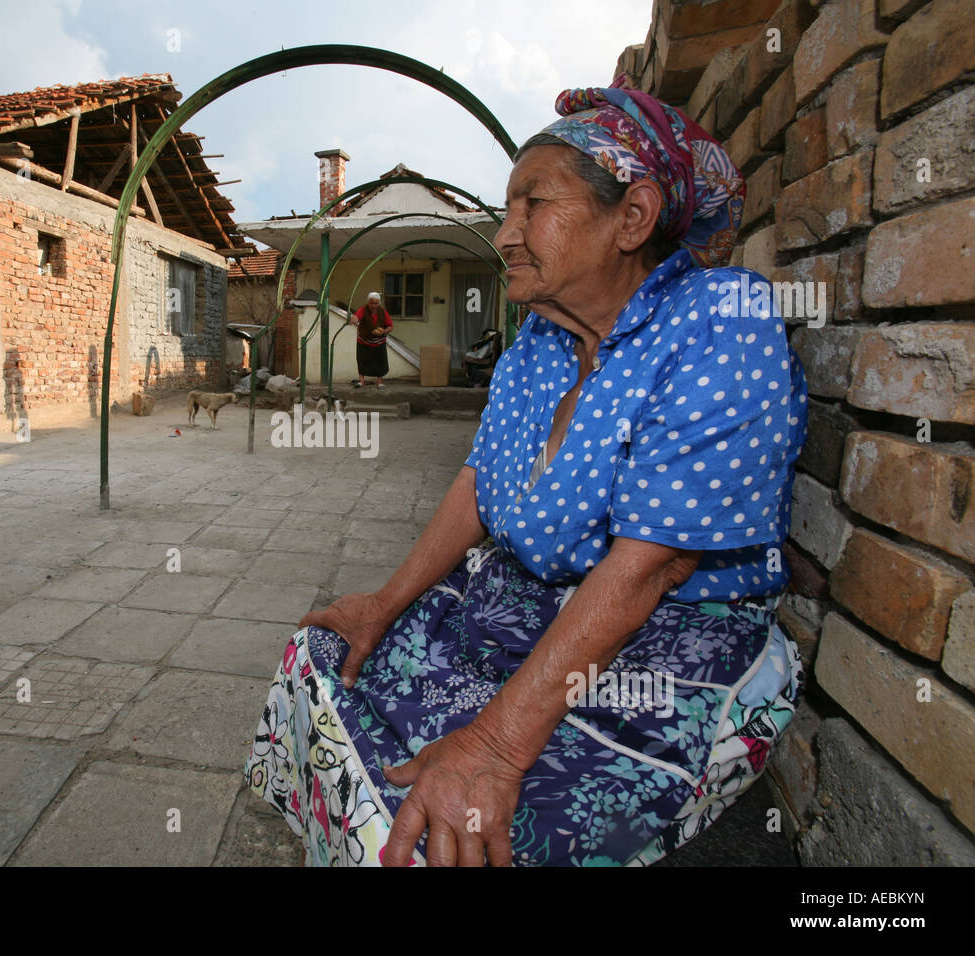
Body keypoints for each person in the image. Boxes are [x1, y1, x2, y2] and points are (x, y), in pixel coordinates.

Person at [246, 77, 808, 867]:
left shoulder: (720, 320)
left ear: (633, 218)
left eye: (530, 205)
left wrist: (498, 748)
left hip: (664, 639)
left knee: (444, 835)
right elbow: (477, 483)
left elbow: (655, 565)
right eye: (506, 211)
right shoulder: (536, 347)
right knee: (324, 657)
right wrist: (384, 601)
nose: (506, 234)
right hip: (518, 605)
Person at [349, 292, 393, 389]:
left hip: (379, 341)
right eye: (371, 303)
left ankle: (379, 382)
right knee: (362, 360)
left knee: (380, 361)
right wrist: (353, 319)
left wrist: (383, 331)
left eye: (376, 303)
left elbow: (390, 326)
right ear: (368, 302)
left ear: (379, 303)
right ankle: (361, 382)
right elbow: (357, 316)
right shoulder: (363, 310)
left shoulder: (382, 311)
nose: (373, 306)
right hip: (364, 340)